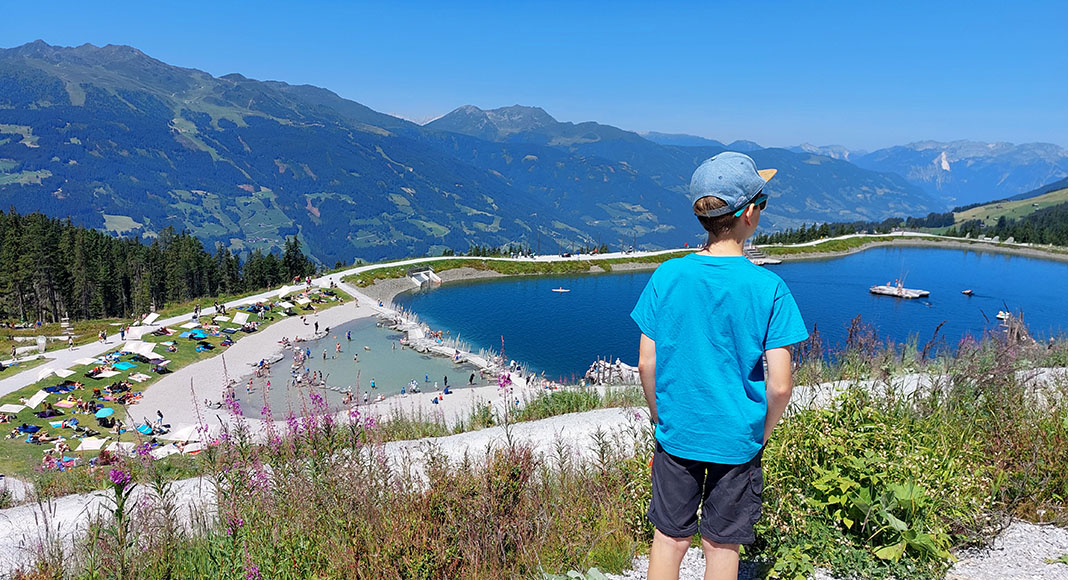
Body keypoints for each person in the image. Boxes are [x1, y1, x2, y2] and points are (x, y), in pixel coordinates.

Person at [630, 152, 808, 580]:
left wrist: (660, 419)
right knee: (722, 543)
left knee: (670, 538)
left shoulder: (666, 276)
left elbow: (645, 362)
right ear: (750, 214)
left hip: (678, 434)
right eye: (762, 203)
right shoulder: (770, 288)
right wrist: (757, 435)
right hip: (736, 438)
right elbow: (781, 387)